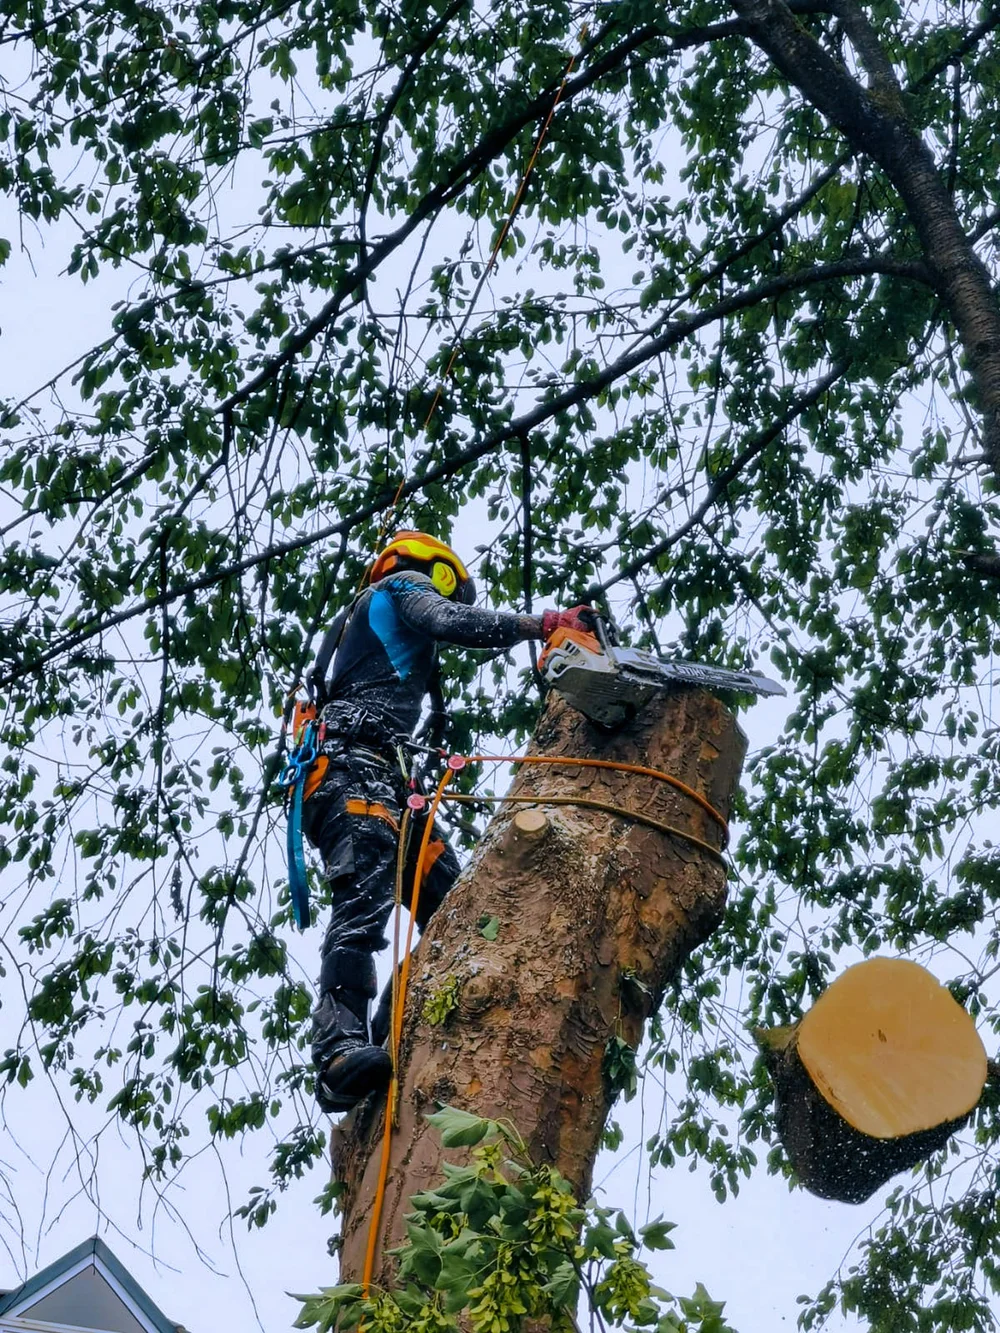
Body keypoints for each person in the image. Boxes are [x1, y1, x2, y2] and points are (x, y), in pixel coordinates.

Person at [301, 530, 593, 1112]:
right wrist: (543, 624)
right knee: (364, 904)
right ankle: (336, 1053)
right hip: (354, 769)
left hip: (390, 782)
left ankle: (393, 1021)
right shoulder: (401, 586)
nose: (451, 602)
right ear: (435, 571)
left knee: (455, 908)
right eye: (451, 591)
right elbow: (450, 621)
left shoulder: (367, 630)